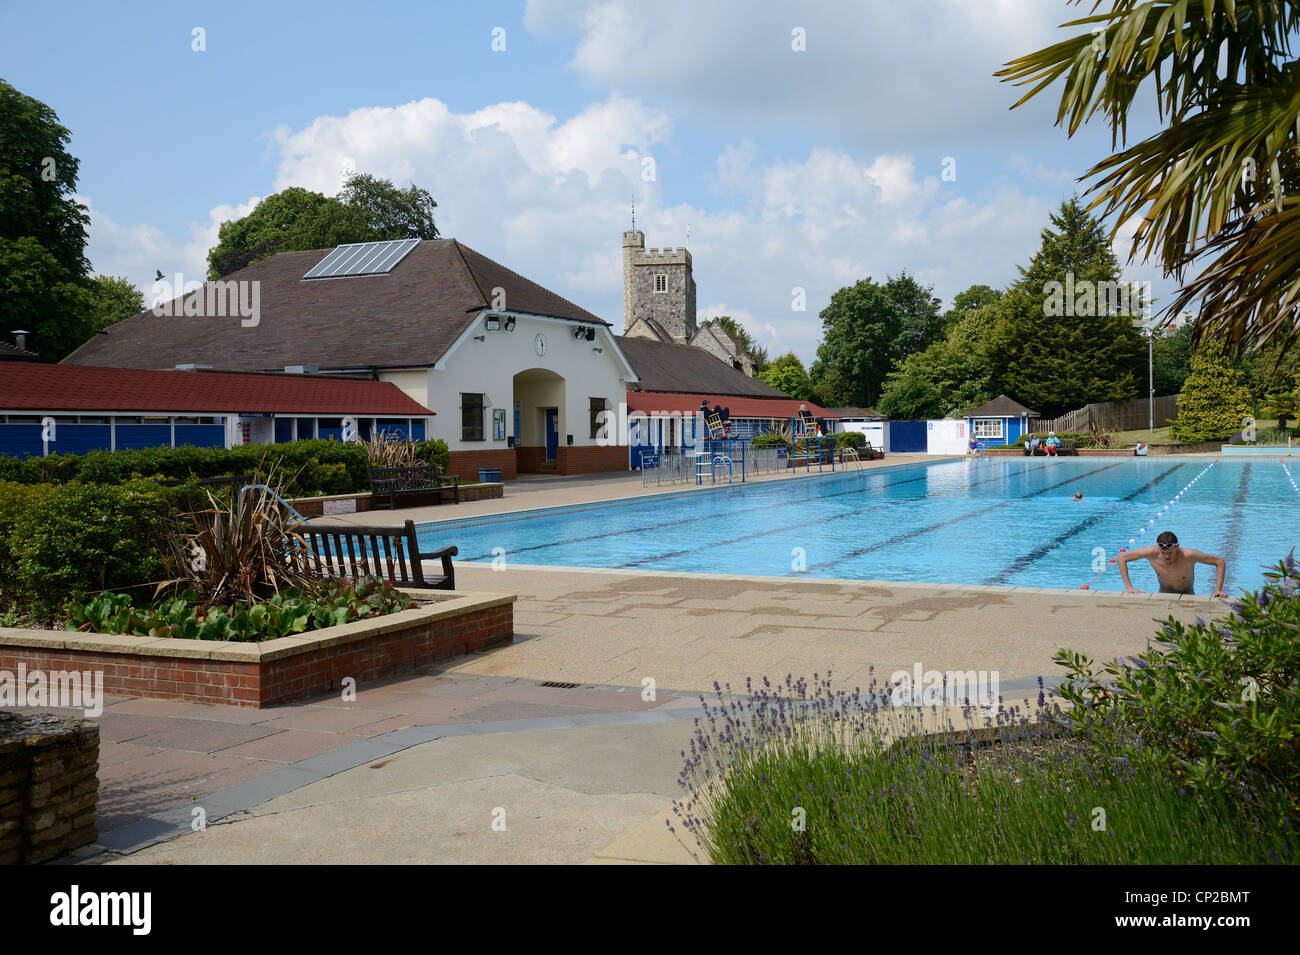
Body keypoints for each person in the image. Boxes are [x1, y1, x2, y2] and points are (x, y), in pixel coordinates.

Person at [1117, 531, 1228, 598]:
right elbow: (1121, 558)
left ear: (1177, 547)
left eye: (1170, 552)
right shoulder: (1151, 553)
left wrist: (1218, 590)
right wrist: (1129, 587)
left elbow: (1219, 562)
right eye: (1163, 553)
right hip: (1162, 595)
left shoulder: (1189, 556)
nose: (1166, 557)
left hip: (1188, 597)